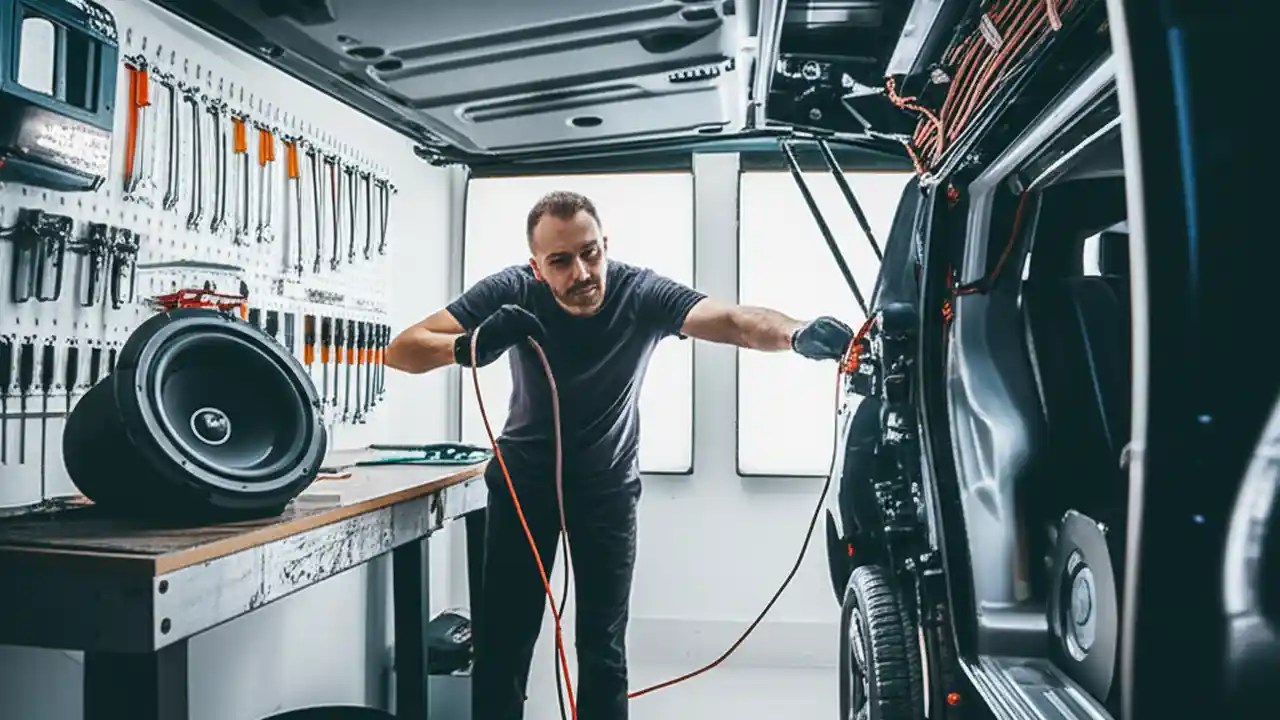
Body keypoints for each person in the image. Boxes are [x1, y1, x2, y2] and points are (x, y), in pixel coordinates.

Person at [385, 190, 854, 719]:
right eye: (560, 262)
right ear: (536, 267)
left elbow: (733, 320)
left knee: (603, 649)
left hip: (606, 491)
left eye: (590, 253)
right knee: (503, 645)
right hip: (522, 486)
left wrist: (796, 334)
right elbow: (402, 349)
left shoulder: (641, 292)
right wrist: (468, 345)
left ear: (605, 244)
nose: (582, 272)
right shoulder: (511, 289)